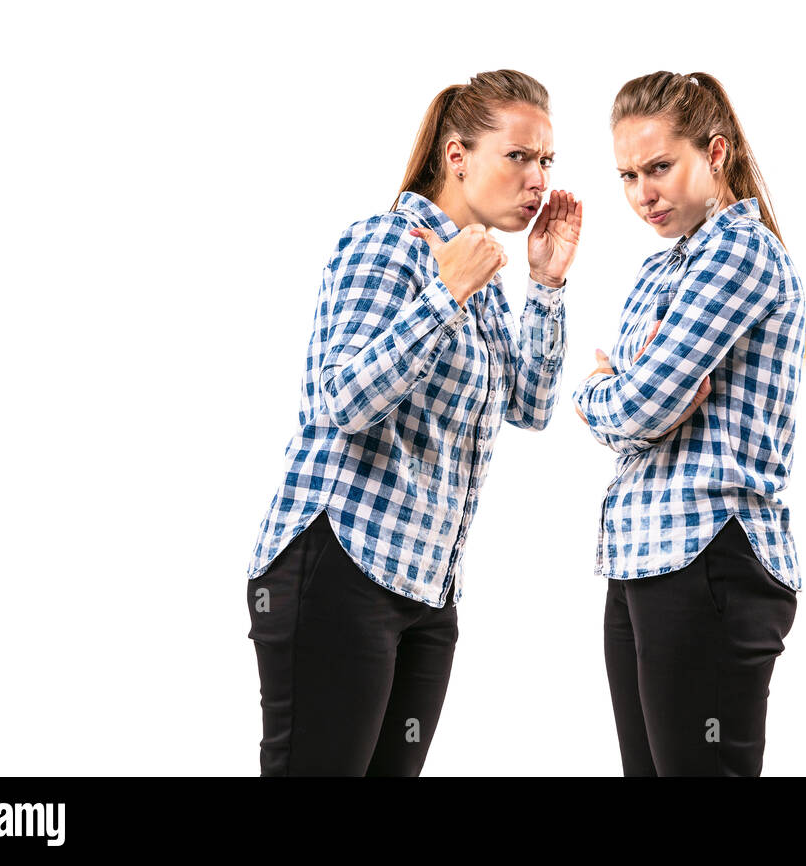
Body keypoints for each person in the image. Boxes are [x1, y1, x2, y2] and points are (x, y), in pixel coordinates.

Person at [246, 69, 581, 775]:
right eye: (518, 155)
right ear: (456, 156)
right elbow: (340, 401)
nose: (538, 179)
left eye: (546, 161)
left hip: (426, 591)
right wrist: (444, 293)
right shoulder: (388, 244)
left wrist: (546, 285)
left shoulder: (480, 269)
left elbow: (531, 406)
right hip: (340, 569)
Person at [572, 70, 806, 776]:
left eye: (660, 167)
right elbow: (641, 406)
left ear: (716, 153)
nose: (643, 193)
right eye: (627, 175)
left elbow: (640, 405)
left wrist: (607, 391)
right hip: (639, 559)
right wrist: (614, 394)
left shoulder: (739, 251)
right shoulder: (658, 271)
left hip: (711, 558)